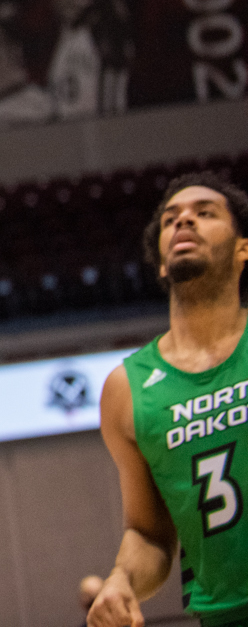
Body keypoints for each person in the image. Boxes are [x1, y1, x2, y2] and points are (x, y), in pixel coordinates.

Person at [88, 169, 248, 627]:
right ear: (160, 262)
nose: (184, 222)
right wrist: (121, 580)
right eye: (170, 219)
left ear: (243, 249)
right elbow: (150, 534)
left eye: (205, 213)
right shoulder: (127, 389)